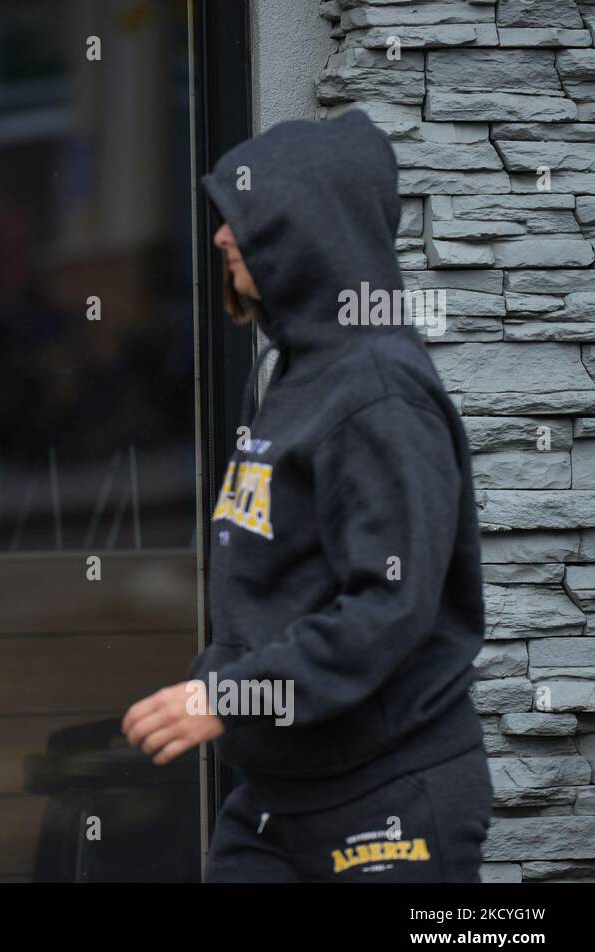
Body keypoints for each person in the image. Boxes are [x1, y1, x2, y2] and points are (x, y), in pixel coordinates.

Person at [122, 110, 493, 882]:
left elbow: (386, 608)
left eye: (250, 218)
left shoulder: (380, 395)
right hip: (278, 796)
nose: (223, 237)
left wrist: (233, 698)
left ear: (312, 229)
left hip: (385, 800)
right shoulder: (298, 374)